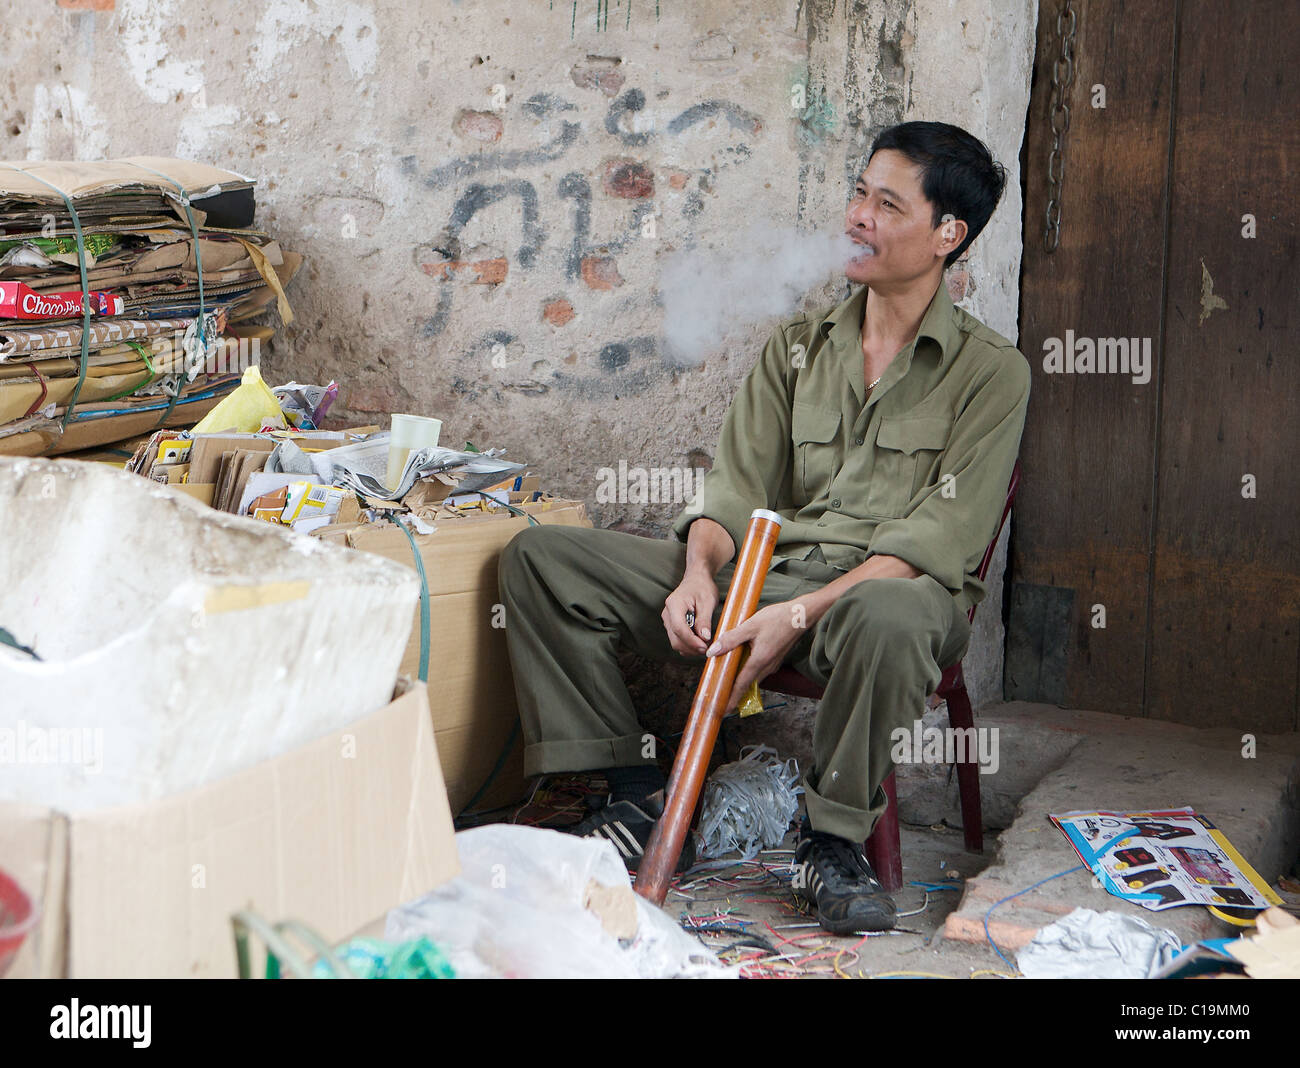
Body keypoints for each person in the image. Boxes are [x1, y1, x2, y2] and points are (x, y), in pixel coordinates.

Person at [497, 121, 1030, 934]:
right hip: (766, 585)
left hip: (882, 603)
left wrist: (799, 615)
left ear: (947, 235)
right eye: (858, 192)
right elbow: (736, 490)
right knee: (541, 559)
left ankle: (832, 844)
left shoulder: (993, 374)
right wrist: (699, 572)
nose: (856, 216)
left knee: (890, 614)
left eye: (886, 205)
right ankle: (632, 791)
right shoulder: (798, 350)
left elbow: (939, 545)